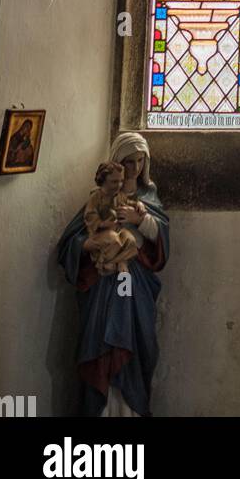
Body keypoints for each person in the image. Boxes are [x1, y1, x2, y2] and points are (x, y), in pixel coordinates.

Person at [58, 132, 169, 417]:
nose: (134, 168)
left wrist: (140, 221)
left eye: (139, 160)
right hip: (103, 284)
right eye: (127, 162)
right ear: (116, 162)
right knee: (101, 344)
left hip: (134, 285)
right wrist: (88, 244)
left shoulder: (148, 198)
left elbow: (162, 239)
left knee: (134, 340)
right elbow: (71, 241)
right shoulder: (101, 197)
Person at [83, 162, 141, 276]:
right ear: (103, 181)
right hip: (99, 233)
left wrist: (138, 204)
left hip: (117, 230)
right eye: (114, 181)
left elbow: (128, 202)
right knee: (113, 240)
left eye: (121, 181)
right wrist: (102, 223)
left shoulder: (118, 195)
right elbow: (89, 215)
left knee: (130, 239)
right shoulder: (96, 196)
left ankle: (116, 261)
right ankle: (103, 263)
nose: (119, 185)